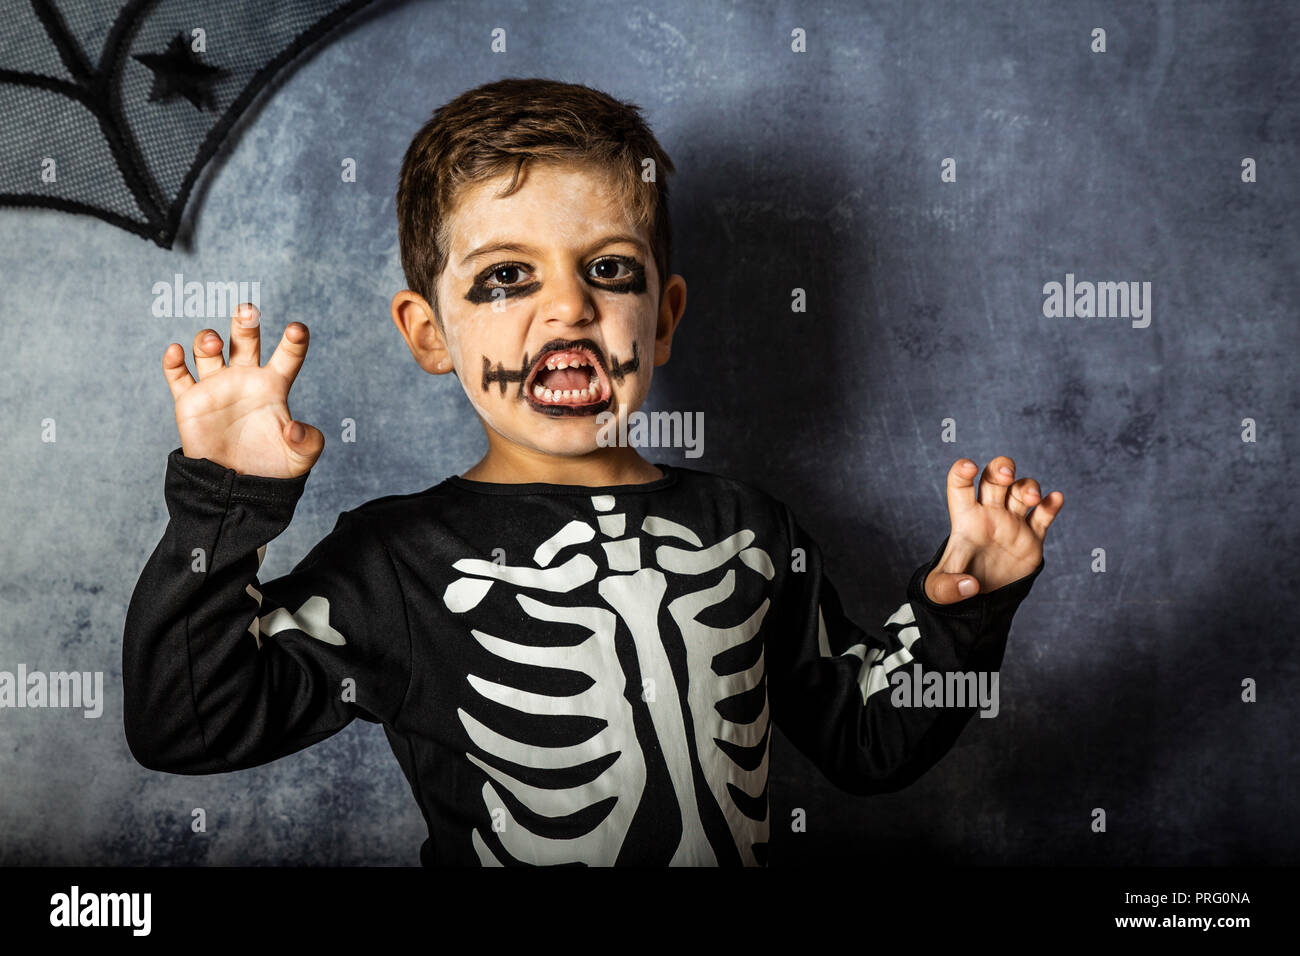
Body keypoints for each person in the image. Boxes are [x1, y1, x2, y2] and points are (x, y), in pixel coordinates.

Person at [123, 77, 1061, 866]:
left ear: (662, 317)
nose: (568, 308)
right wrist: (226, 506)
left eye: (609, 270)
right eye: (504, 278)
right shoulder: (395, 560)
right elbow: (187, 724)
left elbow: (866, 742)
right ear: (428, 334)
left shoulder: (751, 530)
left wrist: (964, 606)